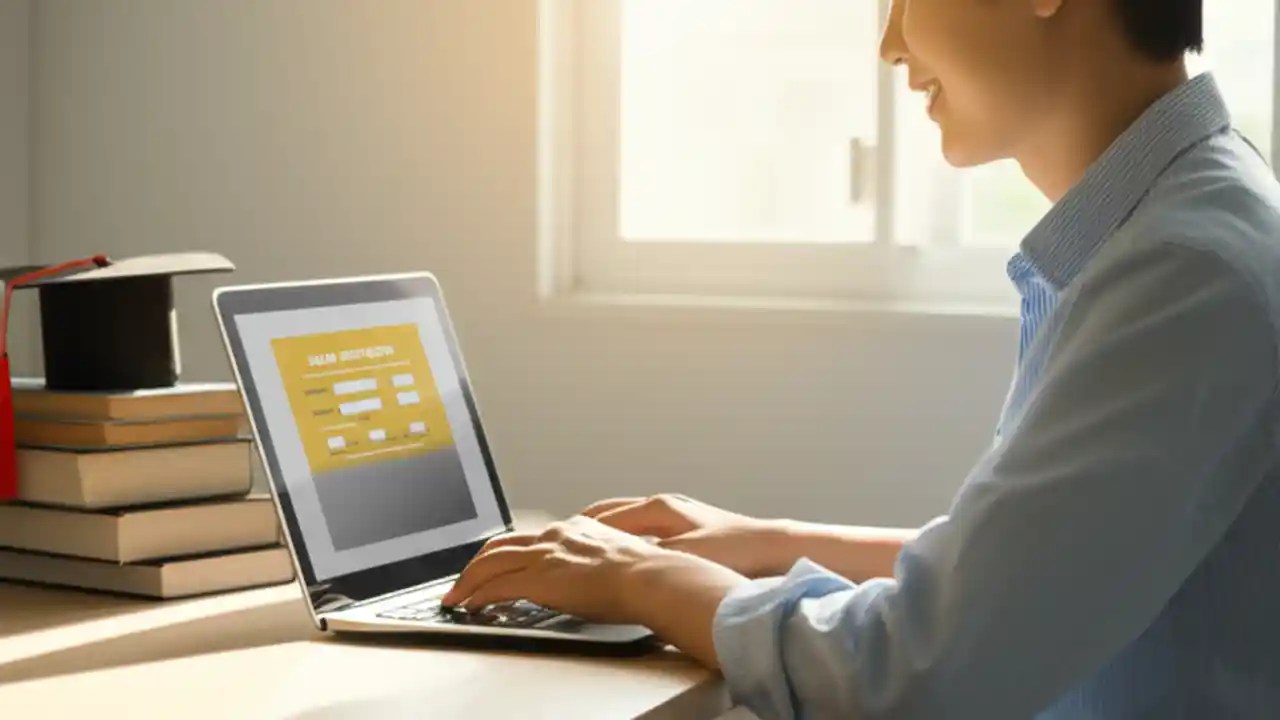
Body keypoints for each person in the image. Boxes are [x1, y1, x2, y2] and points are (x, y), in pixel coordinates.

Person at [445, 0, 1280, 716]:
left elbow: (916, 676)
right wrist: (763, 542)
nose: (889, 45)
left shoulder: (1182, 272)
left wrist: (638, 581)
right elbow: (1043, 571)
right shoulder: (1193, 221)